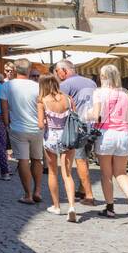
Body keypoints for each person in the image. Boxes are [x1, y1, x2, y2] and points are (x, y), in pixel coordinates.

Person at [87, 62, 128, 221]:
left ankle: (110, 208)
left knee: (106, 175)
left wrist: (86, 114)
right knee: (121, 172)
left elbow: (96, 115)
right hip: (123, 135)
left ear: (103, 77)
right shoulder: (125, 94)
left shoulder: (99, 93)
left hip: (106, 134)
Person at [54, 59, 101, 205]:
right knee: (84, 159)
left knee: (80, 160)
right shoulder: (91, 83)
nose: (57, 74)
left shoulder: (65, 85)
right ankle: (82, 189)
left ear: (64, 71)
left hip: (76, 127)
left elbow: (60, 106)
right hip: (91, 125)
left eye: (57, 71)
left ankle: (89, 195)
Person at [37, 72, 79, 222]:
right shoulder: (68, 99)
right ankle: (72, 206)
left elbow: (41, 124)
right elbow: (75, 116)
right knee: (67, 173)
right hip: (67, 136)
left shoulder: (43, 101)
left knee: (53, 172)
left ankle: (56, 206)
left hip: (51, 138)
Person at [0, 58, 42, 204]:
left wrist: (7, 124)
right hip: (37, 128)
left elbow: (4, 109)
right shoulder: (38, 86)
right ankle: (37, 191)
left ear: (16, 70)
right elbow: (42, 107)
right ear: (29, 70)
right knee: (37, 159)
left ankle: (28, 194)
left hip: (18, 128)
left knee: (23, 160)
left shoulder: (7, 86)